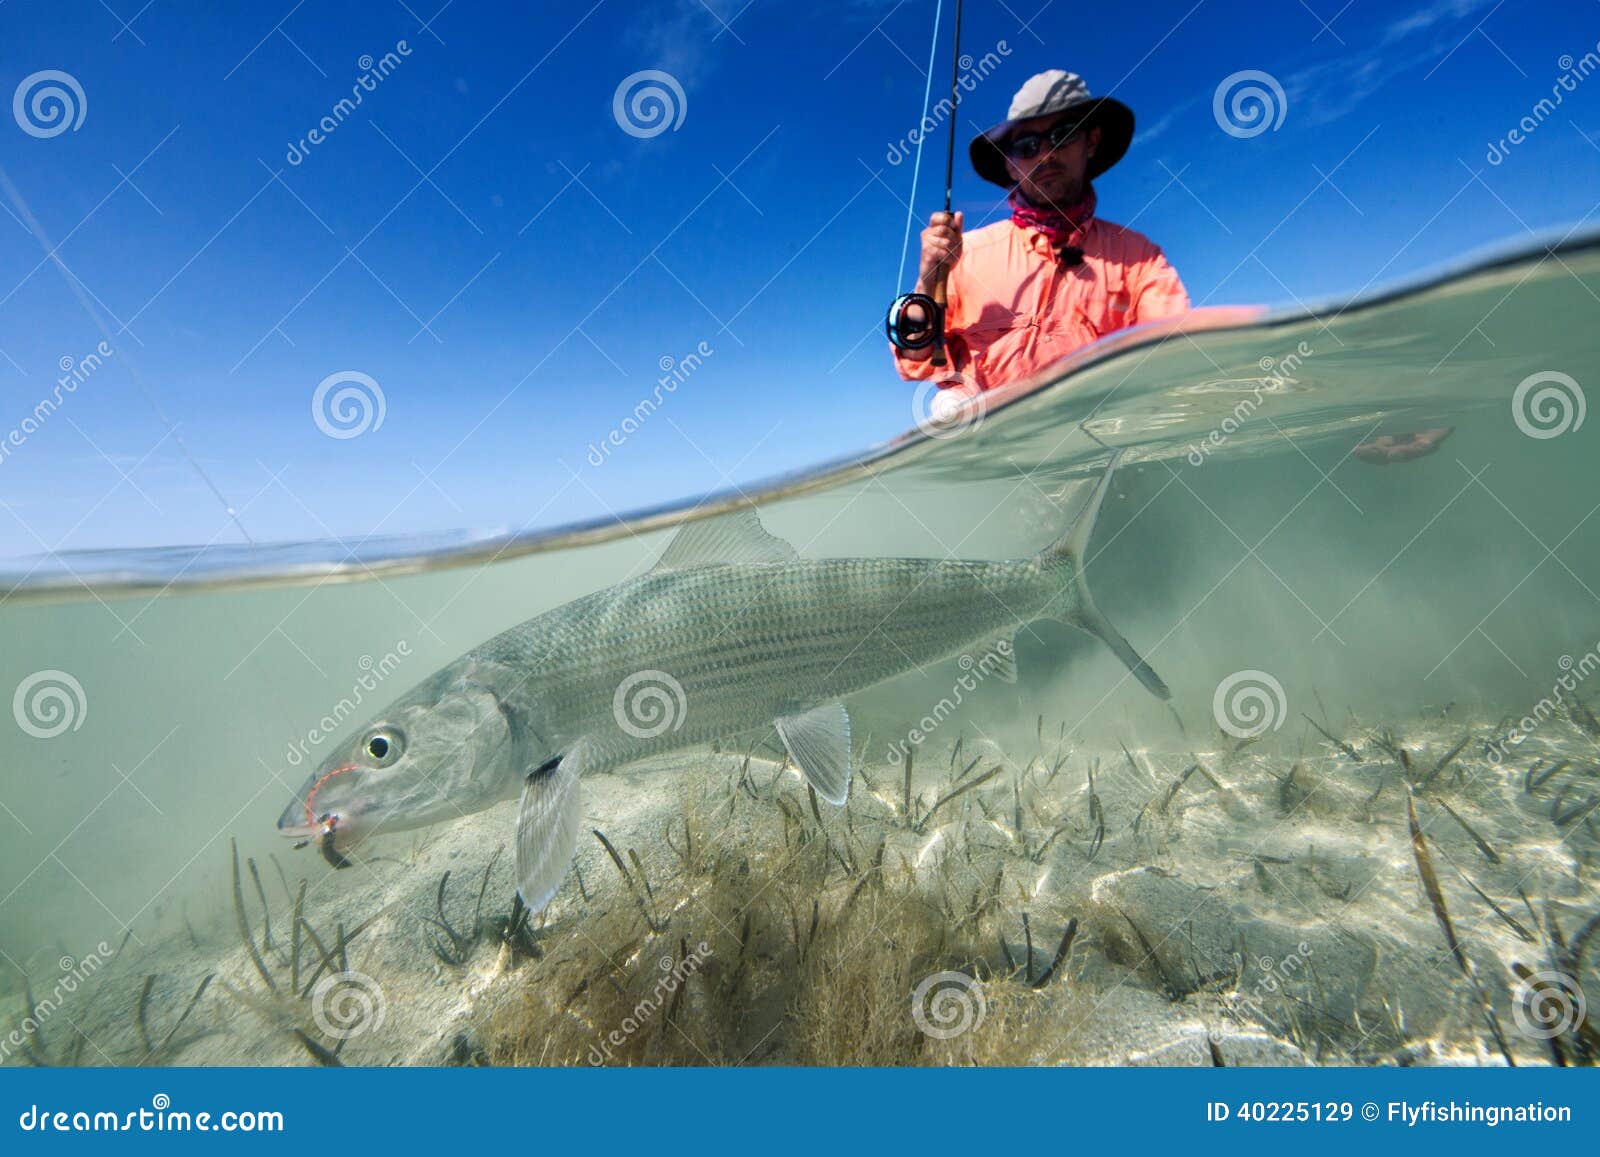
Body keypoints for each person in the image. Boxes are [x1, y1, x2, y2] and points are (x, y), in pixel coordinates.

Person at [893, 71, 1190, 396]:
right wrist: (927, 282)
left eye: (1063, 135)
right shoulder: (964, 256)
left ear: (1090, 142)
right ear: (1010, 165)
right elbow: (916, 362)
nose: (1046, 155)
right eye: (1027, 146)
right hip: (997, 443)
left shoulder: (1140, 258)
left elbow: (1174, 357)